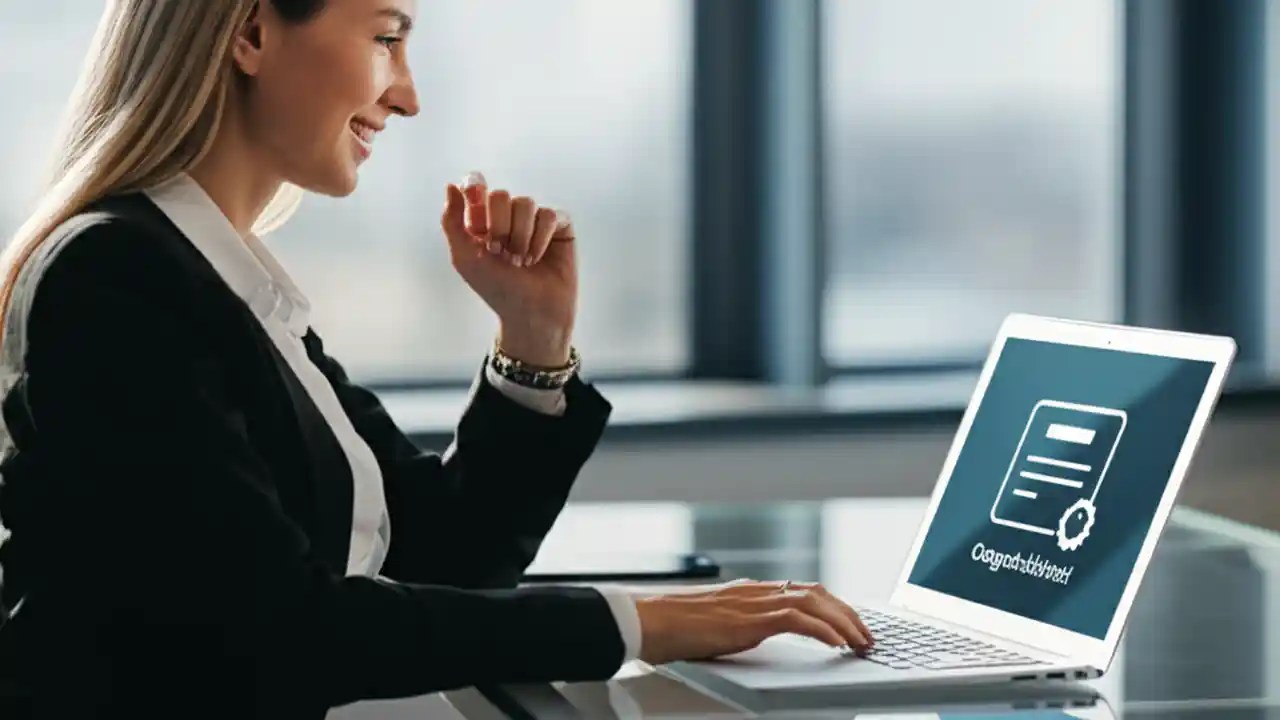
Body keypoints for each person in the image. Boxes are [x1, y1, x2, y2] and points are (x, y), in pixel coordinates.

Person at [0, 0, 873, 714]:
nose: (407, 95)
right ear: (252, 31)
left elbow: (440, 554)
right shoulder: (114, 277)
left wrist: (534, 345)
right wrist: (641, 624)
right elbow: (274, 629)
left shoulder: (218, 284)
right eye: (385, 39)